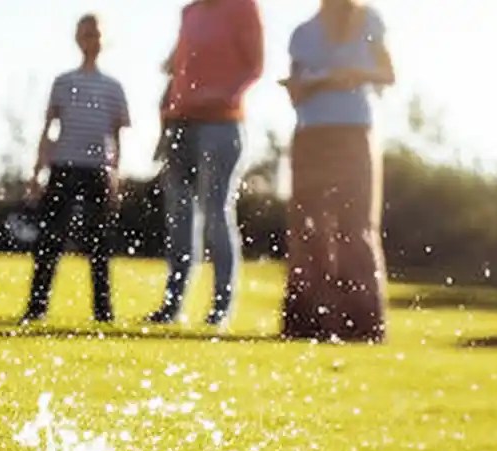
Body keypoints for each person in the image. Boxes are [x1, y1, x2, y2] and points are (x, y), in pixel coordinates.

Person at [281, 0, 396, 342]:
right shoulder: (302, 33)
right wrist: (303, 85)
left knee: (355, 226)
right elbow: (296, 92)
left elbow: (389, 75)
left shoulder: (369, 21)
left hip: (354, 132)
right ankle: (306, 323)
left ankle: (362, 324)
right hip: (310, 132)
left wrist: (355, 74)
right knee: (308, 226)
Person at [148, 0, 264, 328]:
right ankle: (172, 306)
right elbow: (178, 68)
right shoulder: (190, 12)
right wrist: (168, 111)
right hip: (180, 123)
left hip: (221, 124)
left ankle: (220, 309)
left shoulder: (243, 7)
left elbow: (254, 66)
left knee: (216, 213)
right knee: (179, 219)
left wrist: (220, 94)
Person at [21, 13, 130, 325]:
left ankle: (103, 312)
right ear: (76, 38)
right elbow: (48, 128)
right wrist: (37, 171)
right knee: (50, 240)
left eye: (95, 34)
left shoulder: (114, 87)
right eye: (85, 34)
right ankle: (36, 308)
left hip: (98, 170)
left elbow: (117, 137)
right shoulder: (63, 82)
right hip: (64, 167)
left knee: (99, 243)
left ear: (102, 40)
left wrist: (115, 176)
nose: (90, 40)